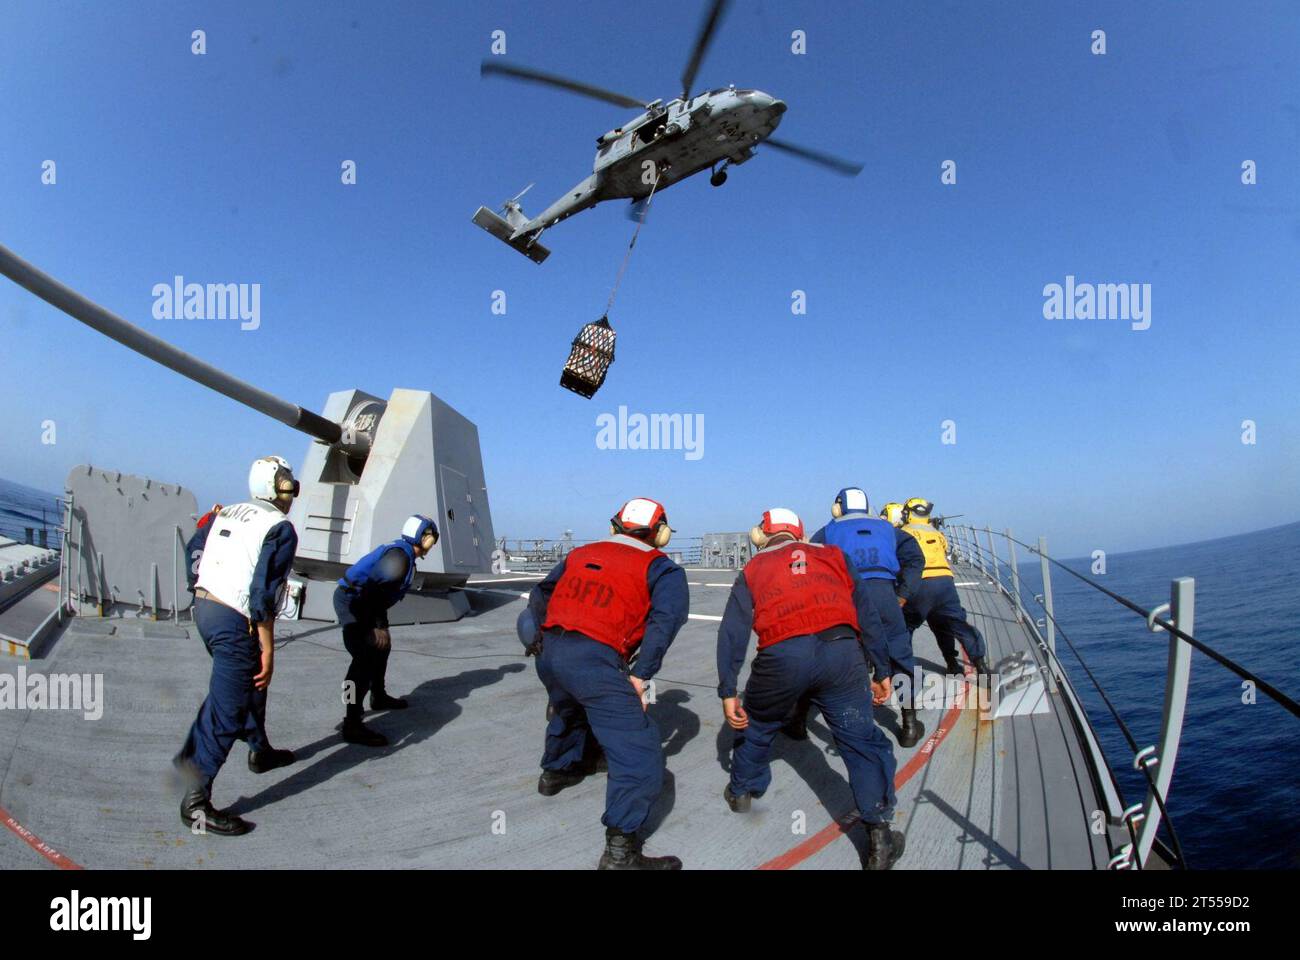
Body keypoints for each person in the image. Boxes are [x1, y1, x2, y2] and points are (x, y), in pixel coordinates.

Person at [716, 508, 905, 870]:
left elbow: (733, 632)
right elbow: (867, 616)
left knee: (756, 724)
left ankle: (742, 792)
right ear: (799, 533)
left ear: (762, 535)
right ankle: (879, 839)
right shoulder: (834, 556)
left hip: (781, 658)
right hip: (842, 654)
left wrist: (728, 690)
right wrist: (881, 669)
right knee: (862, 741)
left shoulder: (754, 569)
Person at [520, 497, 689, 870]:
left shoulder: (581, 553)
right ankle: (620, 853)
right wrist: (641, 674)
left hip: (549, 652)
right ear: (660, 534)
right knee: (640, 752)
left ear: (615, 526)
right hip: (595, 659)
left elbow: (541, 594)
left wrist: (540, 639)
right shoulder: (662, 569)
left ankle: (558, 770)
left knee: (567, 709)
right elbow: (667, 620)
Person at [175, 456, 300, 836]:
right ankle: (195, 801)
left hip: (205, 609)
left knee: (248, 687)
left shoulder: (223, 513)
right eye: (287, 485)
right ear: (272, 488)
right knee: (227, 708)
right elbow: (265, 593)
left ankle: (260, 751)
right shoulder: (280, 528)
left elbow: (194, 552)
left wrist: (203, 587)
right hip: (234, 622)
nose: (291, 492)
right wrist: (268, 648)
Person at [811, 487, 927, 747]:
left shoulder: (829, 530)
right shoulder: (888, 529)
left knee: (851, 658)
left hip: (849, 598)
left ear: (840, 505)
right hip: (885, 596)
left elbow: (811, 563)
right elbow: (915, 558)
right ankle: (909, 724)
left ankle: (856, 722)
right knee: (900, 654)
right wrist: (903, 594)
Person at [332, 515, 438, 746]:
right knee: (362, 660)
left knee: (382, 649)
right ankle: (352, 720)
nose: (433, 541)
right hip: (353, 602)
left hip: (368, 602)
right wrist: (376, 626)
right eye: (430, 536)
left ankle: (378, 696)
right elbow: (370, 591)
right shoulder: (399, 559)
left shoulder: (403, 554)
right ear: (423, 538)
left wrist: (382, 627)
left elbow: (379, 594)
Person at [901, 498, 994, 676]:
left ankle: (903, 671)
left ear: (908, 513)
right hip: (945, 584)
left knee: (904, 627)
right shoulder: (937, 534)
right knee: (954, 624)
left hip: (918, 583)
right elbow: (944, 549)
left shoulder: (903, 533)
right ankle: (975, 664)